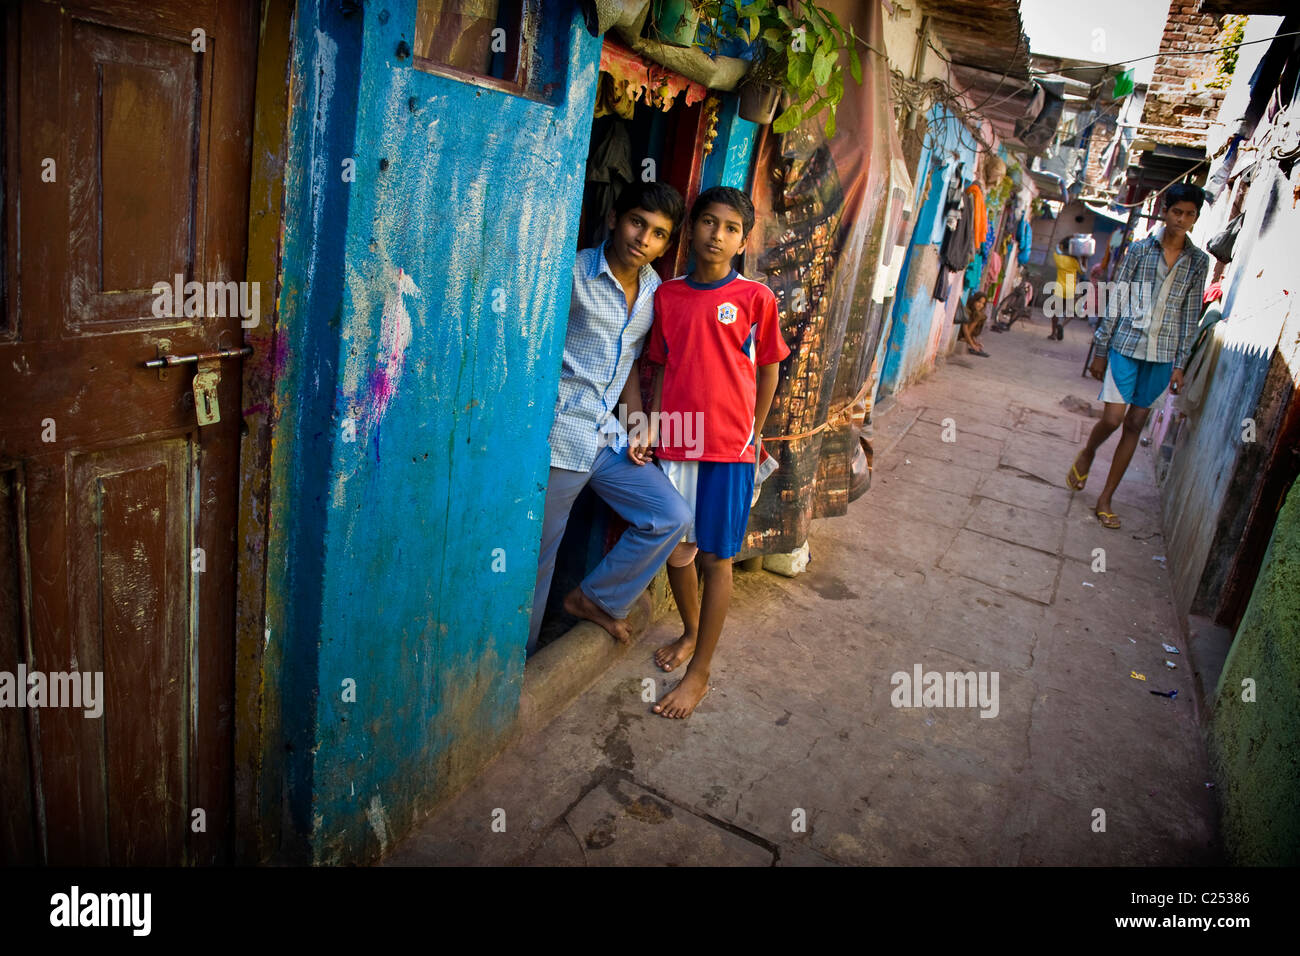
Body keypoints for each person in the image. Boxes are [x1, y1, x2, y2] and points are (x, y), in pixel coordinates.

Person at [528, 181, 693, 656]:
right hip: (561, 436)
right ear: (615, 219)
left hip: (608, 437)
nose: (644, 238)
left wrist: (639, 426)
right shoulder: (574, 274)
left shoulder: (653, 292)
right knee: (540, 557)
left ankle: (594, 597)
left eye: (659, 234)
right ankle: (522, 658)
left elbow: (627, 368)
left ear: (665, 245)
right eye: (637, 222)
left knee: (671, 516)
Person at [644, 186, 790, 718]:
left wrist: (753, 431)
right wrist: (651, 427)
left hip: (729, 447)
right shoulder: (668, 296)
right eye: (708, 222)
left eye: (730, 228)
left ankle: (699, 672)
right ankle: (689, 631)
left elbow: (770, 365)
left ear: (743, 239)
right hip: (675, 441)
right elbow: (659, 367)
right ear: (692, 228)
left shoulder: (755, 299)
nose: (717, 235)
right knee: (678, 551)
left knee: (716, 556)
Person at [1066, 183, 1210, 529]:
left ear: (1196, 217)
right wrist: (1101, 350)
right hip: (1126, 346)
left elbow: (1190, 317)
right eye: (1177, 212)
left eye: (1190, 214)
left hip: (1162, 356)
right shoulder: (1139, 251)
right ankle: (1088, 453)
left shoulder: (1197, 262)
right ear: (1165, 211)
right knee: (1114, 419)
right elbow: (1116, 300)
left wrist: (1180, 365)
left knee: (1134, 424)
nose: (1183, 219)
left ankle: (1106, 498)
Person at [1050, 238, 1087, 340]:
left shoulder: (1059, 258)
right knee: (1071, 312)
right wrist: (1084, 259)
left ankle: (1053, 334)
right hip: (1071, 289)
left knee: (1055, 312)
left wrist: (1062, 241)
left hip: (1059, 288)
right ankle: (1062, 324)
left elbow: (1057, 248)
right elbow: (1083, 271)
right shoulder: (1075, 261)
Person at [958, 291, 990, 356]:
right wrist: (972, 345)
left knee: (981, 316)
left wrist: (974, 342)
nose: (980, 305)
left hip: (966, 335)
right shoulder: (967, 310)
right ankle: (965, 339)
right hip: (961, 334)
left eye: (983, 303)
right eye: (979, 302)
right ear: (974, 301)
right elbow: (965, 330)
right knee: (978, 316)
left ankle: (967, 339)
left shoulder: (975, 312)